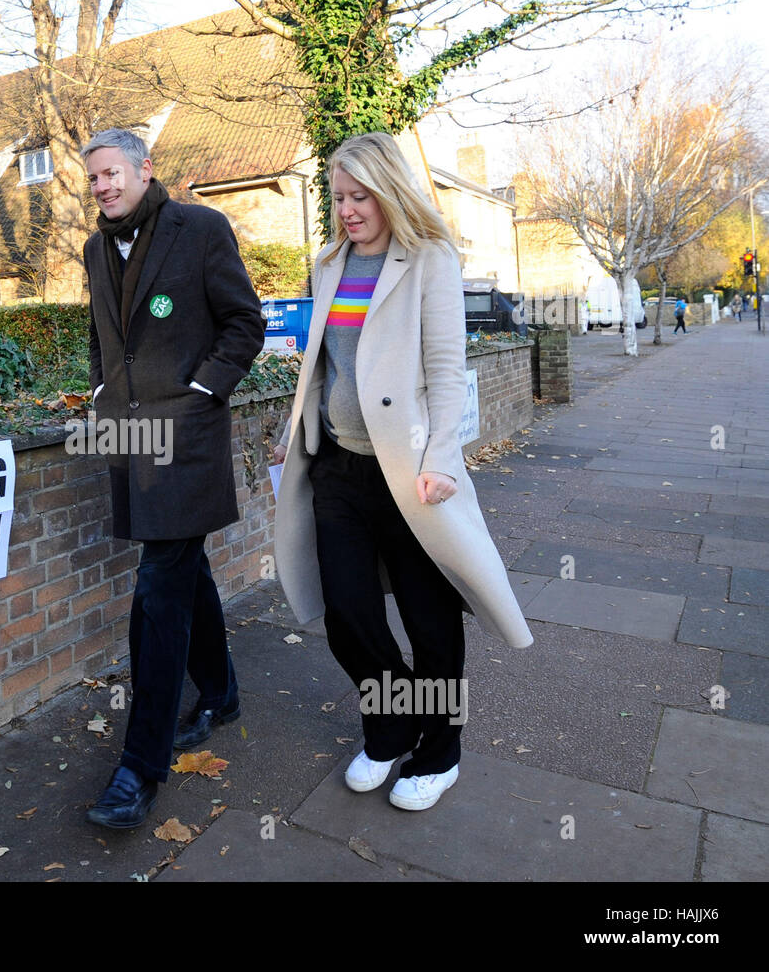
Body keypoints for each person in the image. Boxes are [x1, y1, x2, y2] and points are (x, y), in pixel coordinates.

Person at [272, 132, 533, 812]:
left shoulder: (428, 259)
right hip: (335, 470)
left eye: (361, 196)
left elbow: (447, 370)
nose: (349, 210)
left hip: (408, 472)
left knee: (429, 620)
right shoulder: (329, 261)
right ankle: (391, 728)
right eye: (339, 198)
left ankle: (439, 751)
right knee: (348, 617)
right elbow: (322, 363)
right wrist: (291, 432)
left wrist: (443, 458)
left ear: (389, 190)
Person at [80, 128, 264, 829]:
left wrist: (204, 390)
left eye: (111, 174)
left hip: (185, 443)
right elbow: (101, 334)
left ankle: (140, 765)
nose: (102, 187)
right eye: (93, 178)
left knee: (158, 591)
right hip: (130, 442)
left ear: (143, 169)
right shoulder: (96, 247)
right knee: (187, 573)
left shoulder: (201, 227)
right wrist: (99, 391)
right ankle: (219, 693)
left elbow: (244, 325)